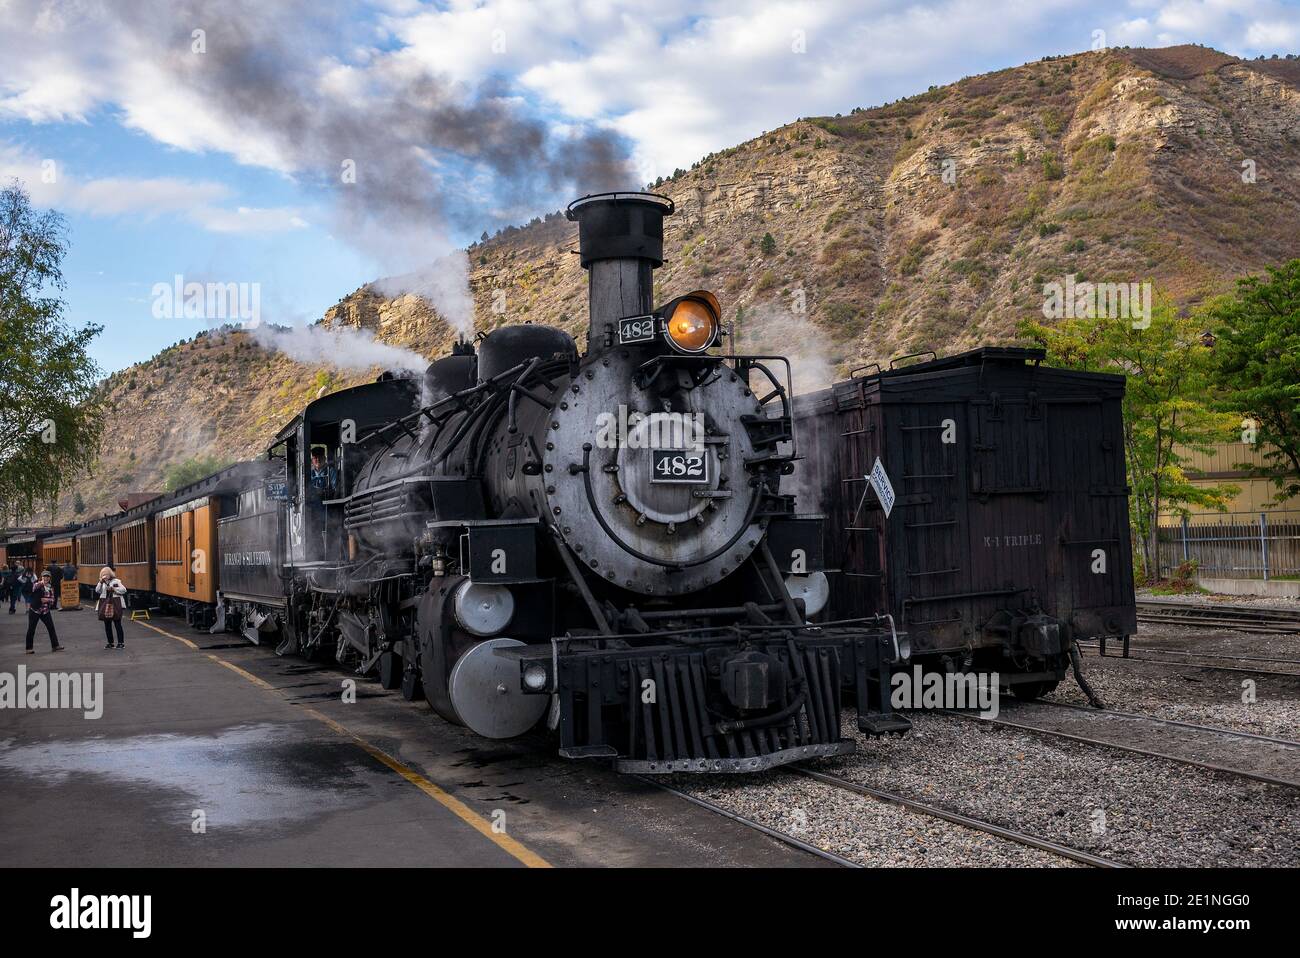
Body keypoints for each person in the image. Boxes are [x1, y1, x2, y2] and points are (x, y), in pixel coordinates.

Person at [24, 571, 63, 653]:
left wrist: (46, 600)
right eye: (44, 576)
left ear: (50, 578)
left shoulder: (51, 587)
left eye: (48, 577)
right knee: (31, 629)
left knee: (51, 628)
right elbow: (34, 589)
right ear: (41, 577)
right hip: (35, 610)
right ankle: (29, 648)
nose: (46, 578)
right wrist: (42, 583)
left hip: (45, 611)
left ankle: (55, 646)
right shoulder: (37, 584)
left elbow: (52, 600)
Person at [94, 566, 127, 650]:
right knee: (107, 624)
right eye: (103, 575)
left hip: (115, 603)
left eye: (106, 574)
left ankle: (121, 643)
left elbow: (124, 590)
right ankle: (110, 643)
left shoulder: (116, 581)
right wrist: (100, 582)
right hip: (105, 603)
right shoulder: (102, 583)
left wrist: (114, 589)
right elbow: (97, 590)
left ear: (110, 574)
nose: (105, 576)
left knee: (117, 623)